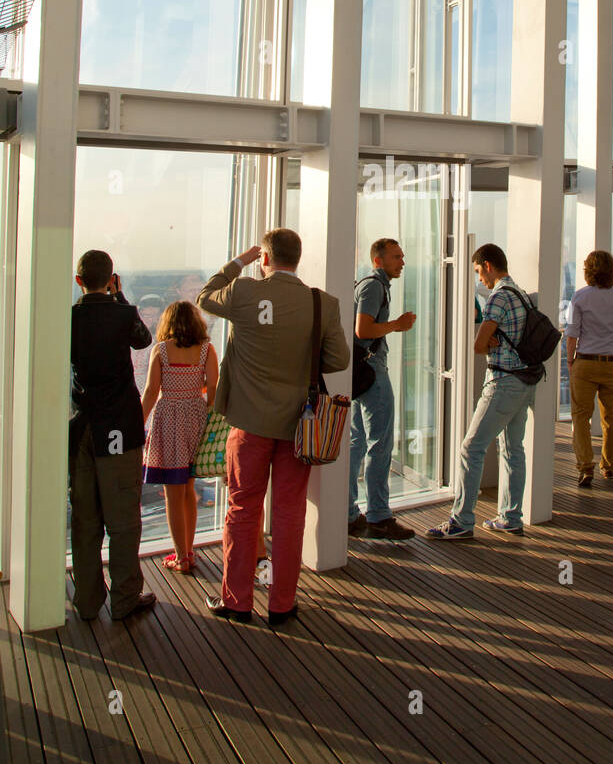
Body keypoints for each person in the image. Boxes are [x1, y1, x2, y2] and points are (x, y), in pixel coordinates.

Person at [197, 229, 349, 627]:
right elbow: (338, 360)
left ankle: (237, 600)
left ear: (265, 257)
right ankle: (282, 604)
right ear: (297, 258)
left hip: (248, 424)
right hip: (300, 426)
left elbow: (204, 296)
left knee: (242, 510)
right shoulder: (322, 304)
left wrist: (239, 262)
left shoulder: (243, 291)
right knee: (289, 514)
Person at [428, 244, 538, 539]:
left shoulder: (498, 296)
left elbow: (478, 345)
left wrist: (488, 342)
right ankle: (511, 517)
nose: (480, 280)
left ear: (488, 265)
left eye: (479, 272)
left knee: (470, 449)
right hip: (525, 382)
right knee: (513, 449)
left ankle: (461, 521)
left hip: (502, 383)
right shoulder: (521, 295)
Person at [69, 250, 156, 620]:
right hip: (118, 425)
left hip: (81, 426)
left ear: (78, 281)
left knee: (85, 517)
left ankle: (87, 601)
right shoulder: (122, 313)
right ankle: (124, 598)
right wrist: (119, 297)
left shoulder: (69, 316)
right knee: (122, 519)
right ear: (111, 279)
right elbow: (143, 340)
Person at [140, 301, 218, 574]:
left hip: (169, 418)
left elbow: (151, 391)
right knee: (189, 491)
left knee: (172, 494)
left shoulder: (160, 351)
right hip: (195, 417)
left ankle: (180, 557)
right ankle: (189, 551)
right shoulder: (207, 350)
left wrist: (139, 423)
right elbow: (213, 392)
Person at [349, 238, 417, 542]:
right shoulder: (374, 286)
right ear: (378, 260)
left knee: (357, 442)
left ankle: (349, 512)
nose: (402, 262)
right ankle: (378, 515)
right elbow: (363, 330)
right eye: (396, 257)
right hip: (372, 370)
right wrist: (397, 325)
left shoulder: (369, 284)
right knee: (380, 442)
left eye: (402, 256)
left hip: (359, 371)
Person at [565, 250, 613, 488]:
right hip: (611, 362)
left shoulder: (580, 297)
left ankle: (585, 467)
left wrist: (570, 361)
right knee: (610, 418)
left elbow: (572, 334)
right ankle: (608, 464)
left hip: (585, 361)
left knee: (581, 417)